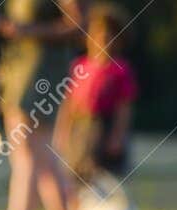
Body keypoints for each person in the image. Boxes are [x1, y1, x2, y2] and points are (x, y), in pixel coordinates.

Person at [0, 0, 84, 210]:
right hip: (18, 61)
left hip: (43, 68)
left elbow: (78, 23)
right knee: (39, 152)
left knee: (27, 150)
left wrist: (29, 31)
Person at [57, 4, 136, 184]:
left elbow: (124, 108)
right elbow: (68, 103)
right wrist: (62, 133)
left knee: (102, 177)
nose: (103, 38)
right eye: (97, 34)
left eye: (109, 35)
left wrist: (117, 136)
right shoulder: (79, 66)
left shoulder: (120, 70)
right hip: (80, 127)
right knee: (74, 175)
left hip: (103, 127)